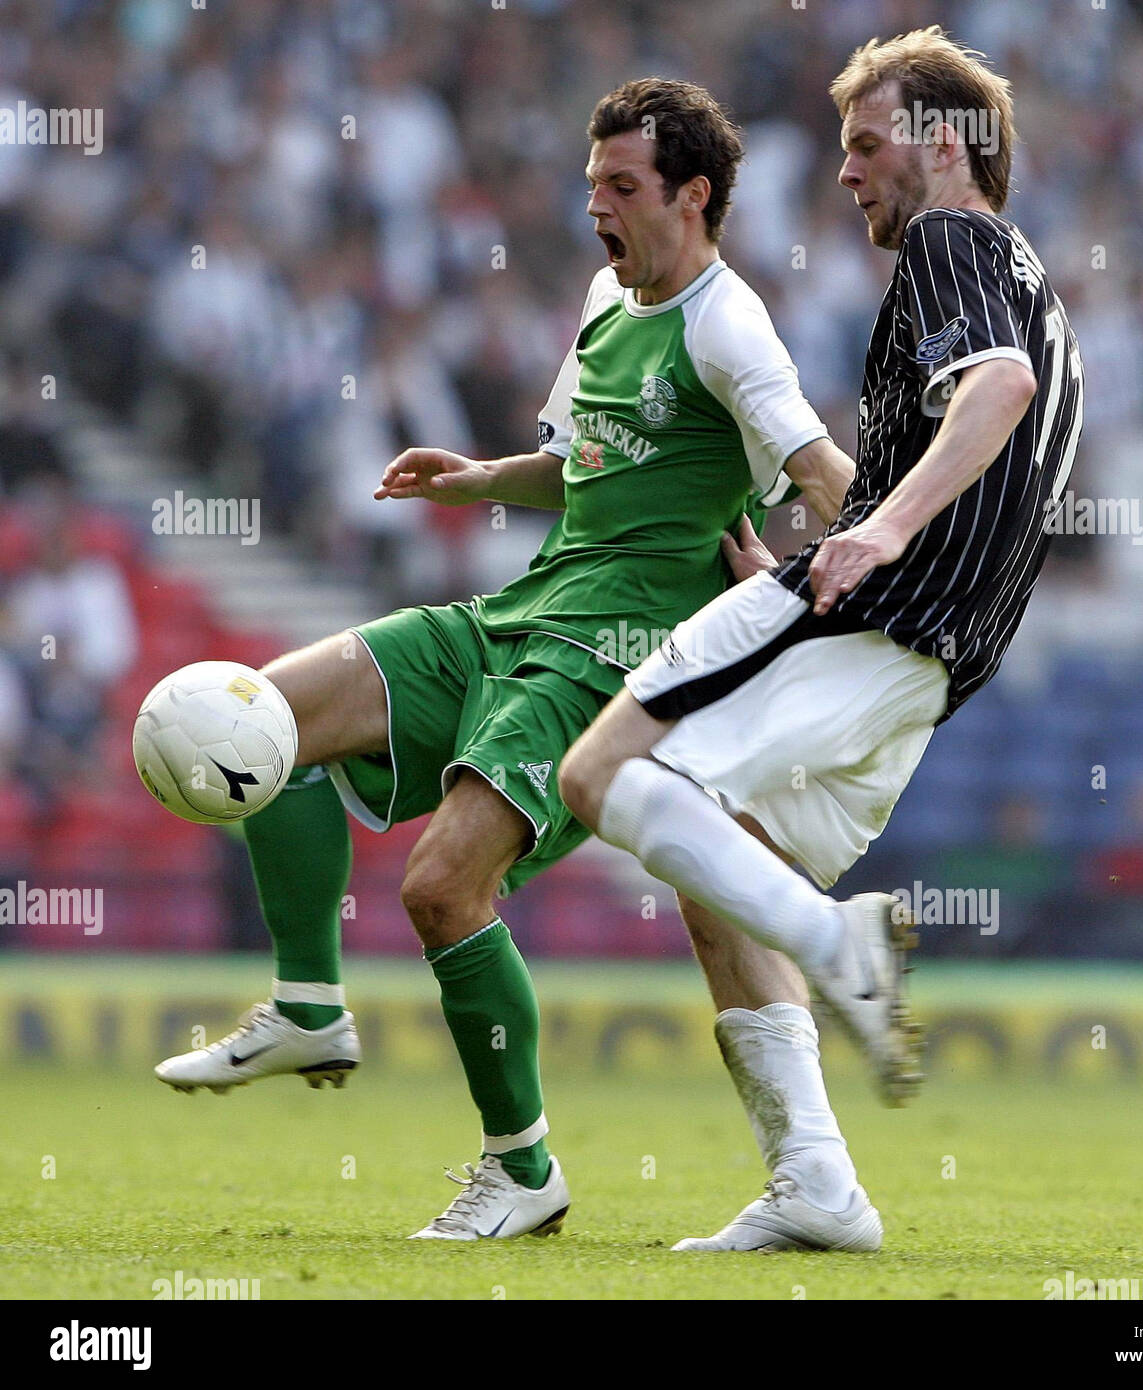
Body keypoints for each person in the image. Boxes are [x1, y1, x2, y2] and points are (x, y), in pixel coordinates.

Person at [155, 79, 884, 1252]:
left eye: (621, 186)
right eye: (590, 180)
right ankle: (305, 1004)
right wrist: (478, 478)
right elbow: (582, 462)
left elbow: (823, 477)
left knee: (444, 888)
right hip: (528, 609)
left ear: (692, 198)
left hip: (614, 654)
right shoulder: (608, 296)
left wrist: (854, 603)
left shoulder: (726, 323)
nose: (592, 203)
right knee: (260, 714)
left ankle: (522, 1170)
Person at [559, 28, 1086, 1152]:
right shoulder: (1031, 276)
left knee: (599, 774)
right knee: (721, 864)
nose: (844, 172)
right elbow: (995, 430)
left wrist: (872, 536)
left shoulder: (951, 233)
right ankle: (815, 1182)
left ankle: (840, 944)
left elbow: (997, 387)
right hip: (929, 659)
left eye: (863, 144)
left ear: (944, 142)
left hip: (869, 612)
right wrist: (854, 530)